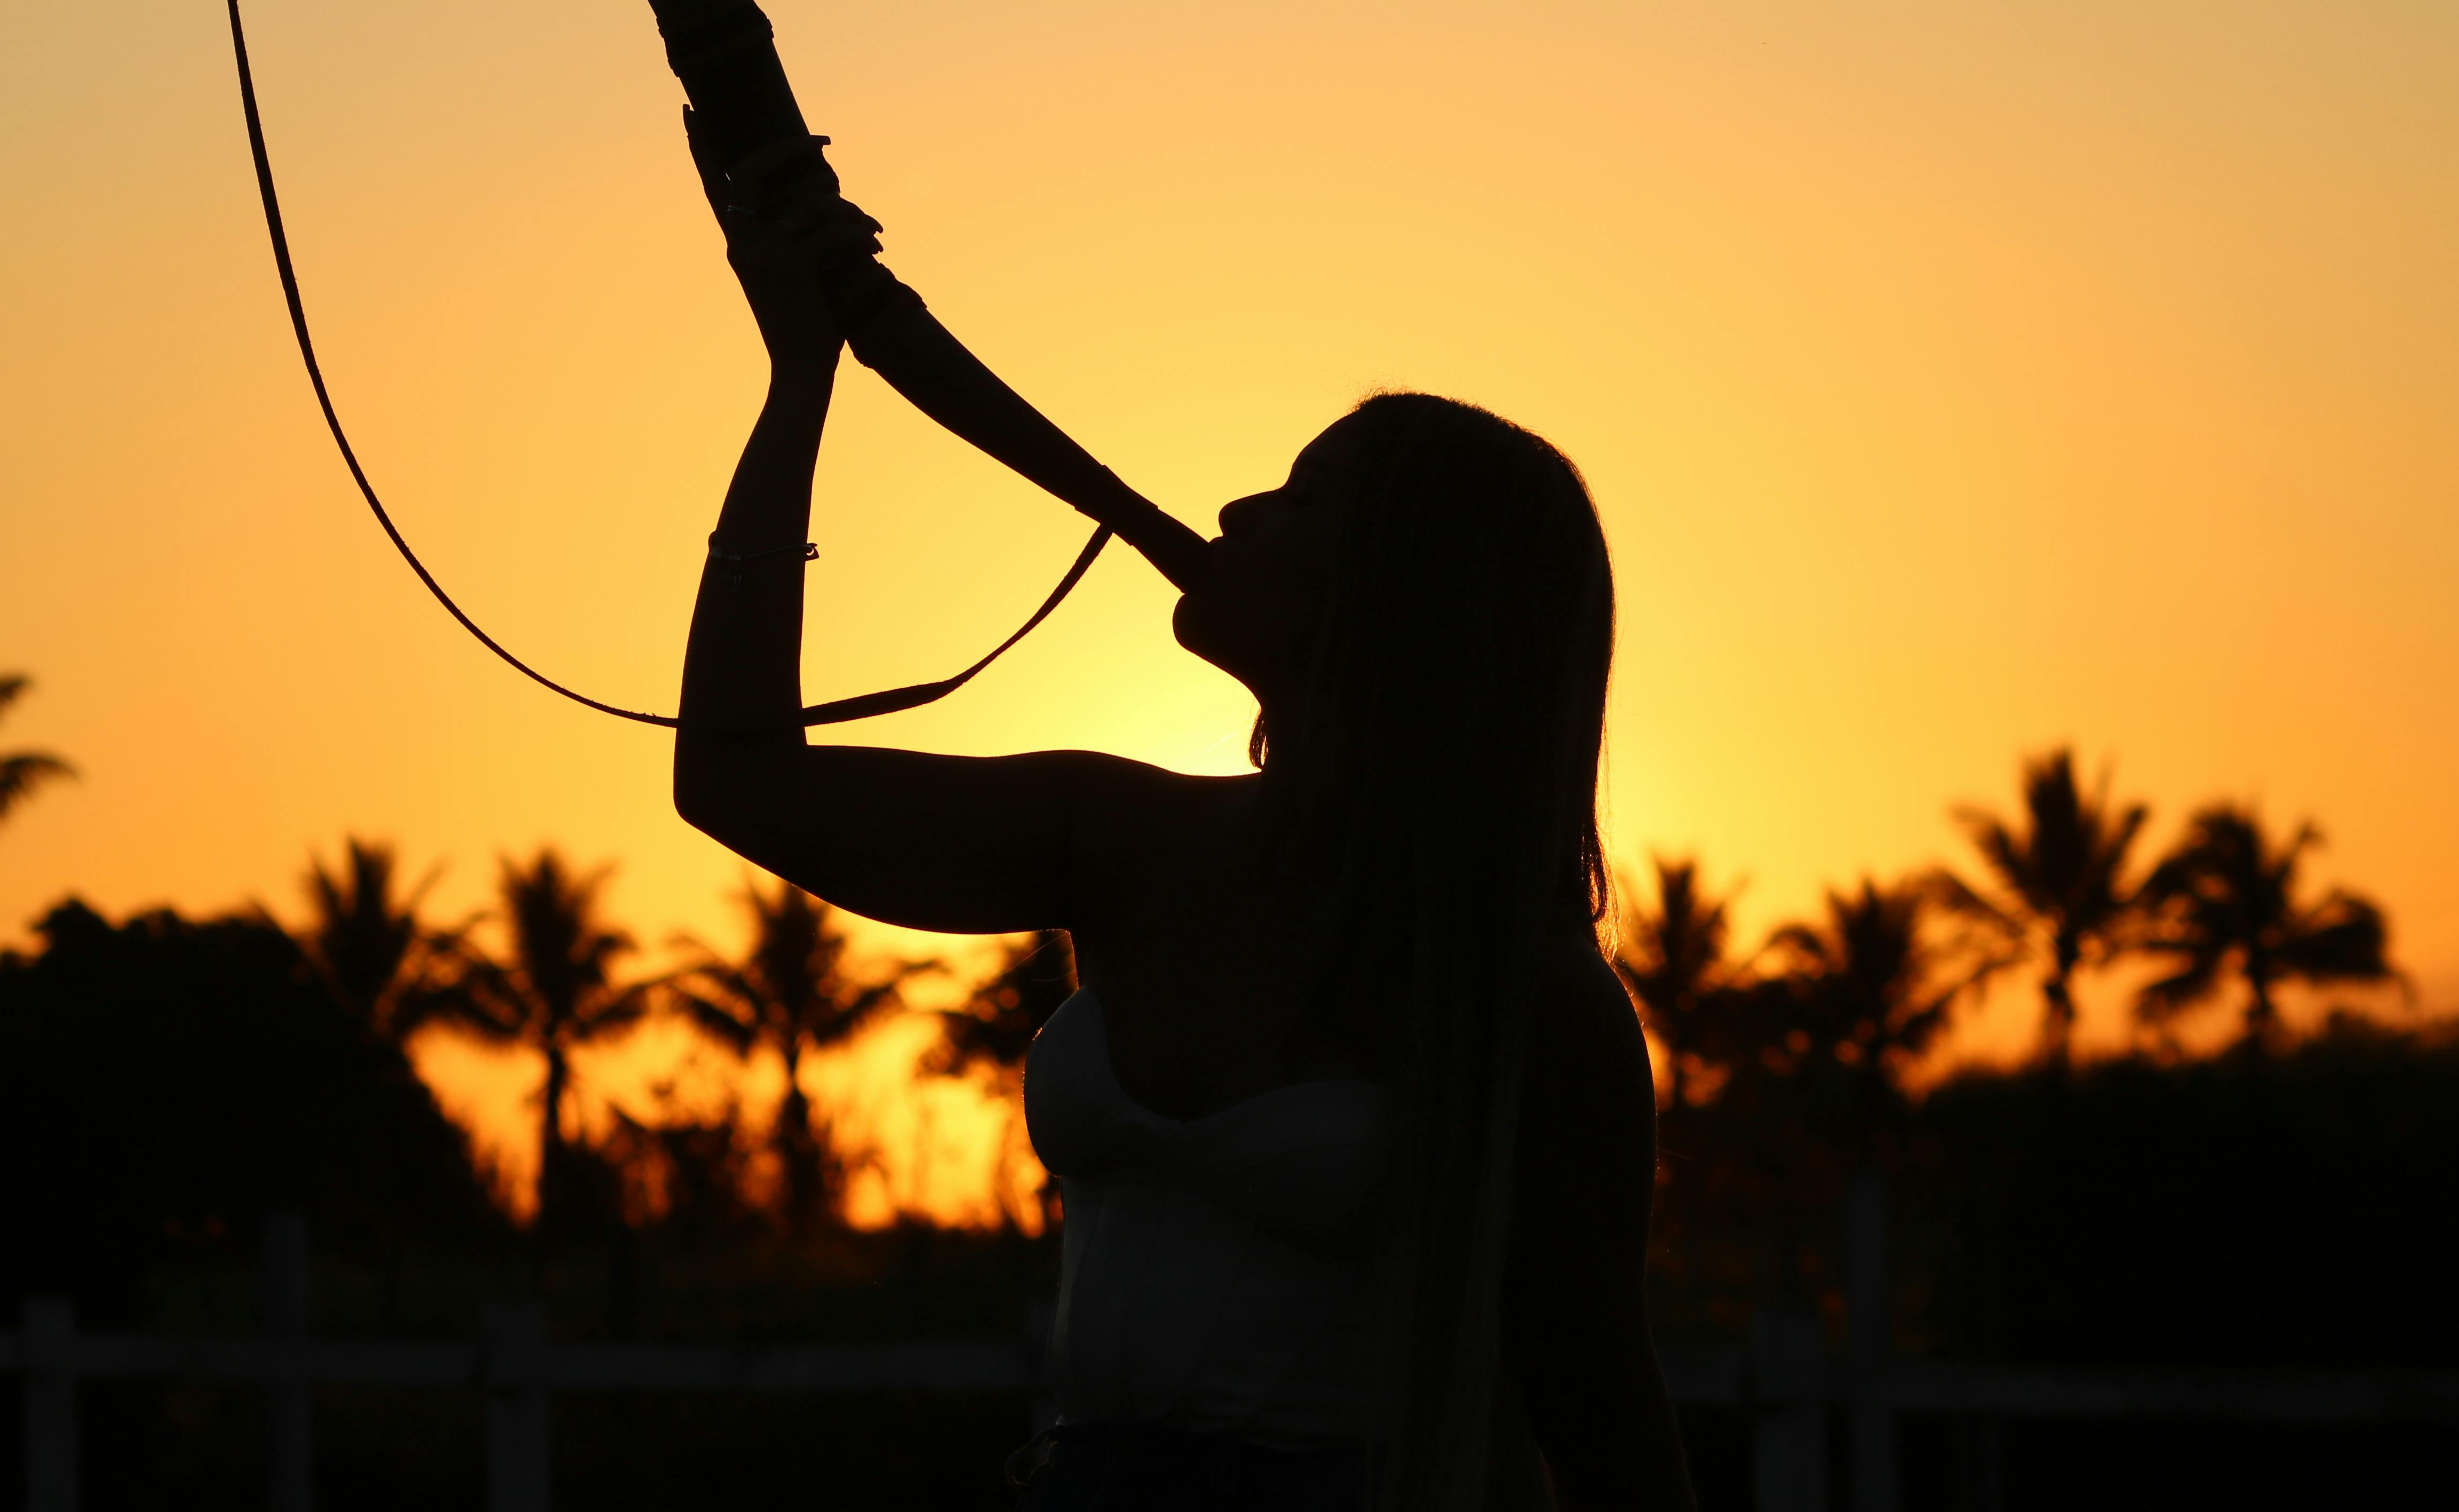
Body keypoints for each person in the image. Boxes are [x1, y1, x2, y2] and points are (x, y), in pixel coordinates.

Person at [673, 149, 1695, 1511]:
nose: (1236, 513)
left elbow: (1605, 1418)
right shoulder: (1118, 834)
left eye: (1304, 496)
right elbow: (737, 779)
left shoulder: (1537, 994)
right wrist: (800, 379)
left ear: (1406, 594)